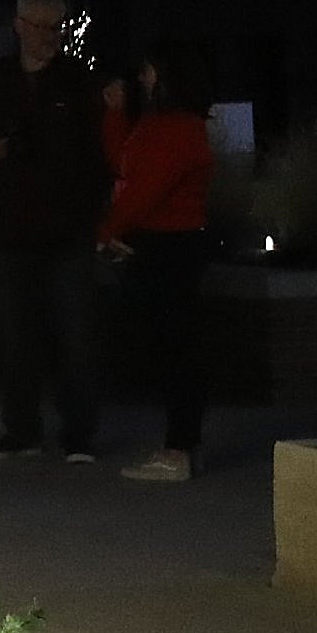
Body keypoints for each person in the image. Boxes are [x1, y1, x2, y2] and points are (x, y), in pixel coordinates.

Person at [0, 0, 112, 461]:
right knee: (17, 336)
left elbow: (97, 154)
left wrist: (92, 212)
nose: (49, 37)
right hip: (10, 228)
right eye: (39, 26)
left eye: (55, 27)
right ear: (19, 26)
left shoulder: (77, 81)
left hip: (66, 230)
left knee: (75, 336)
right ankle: (22, 430)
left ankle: (79, 433)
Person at [98, 48, 216, 482]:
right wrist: (115, 117)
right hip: (163, 241)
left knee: (176, 347)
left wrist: (106, 231)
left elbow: (143, 189)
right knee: (172, 345)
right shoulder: (163, 124)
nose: (143, 77)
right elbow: (125, 167)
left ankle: (180, 448)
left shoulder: (176, 128)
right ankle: (183, 446)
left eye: (149, 70)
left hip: (171, 244)